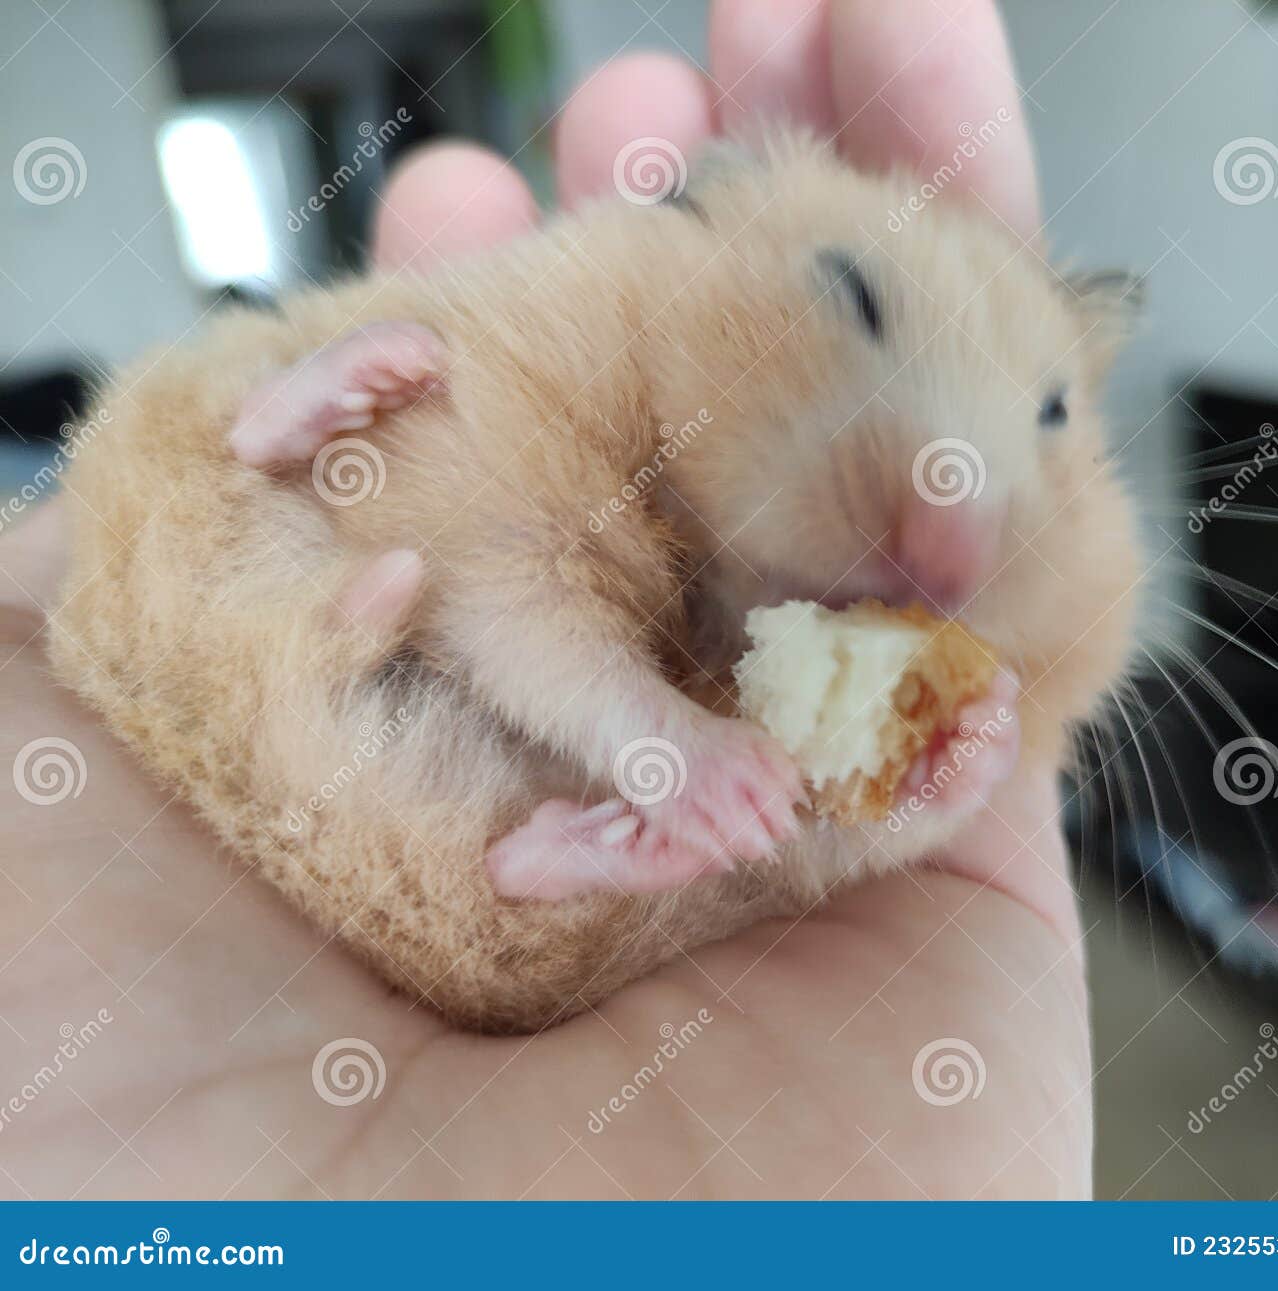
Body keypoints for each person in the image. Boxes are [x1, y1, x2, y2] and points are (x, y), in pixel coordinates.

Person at [0, 0, 1090, 1198]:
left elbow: (795, 836)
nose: (948, 526)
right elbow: (486, 550)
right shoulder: (600, 323)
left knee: (773, 832)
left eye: (1051, 418)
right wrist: (657, 735)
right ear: (701, 208)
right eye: (853, 300)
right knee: (240, 432)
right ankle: (270, 422)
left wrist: (921, 789)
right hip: (245, 599)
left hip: (436, 860)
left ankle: (536, 865)